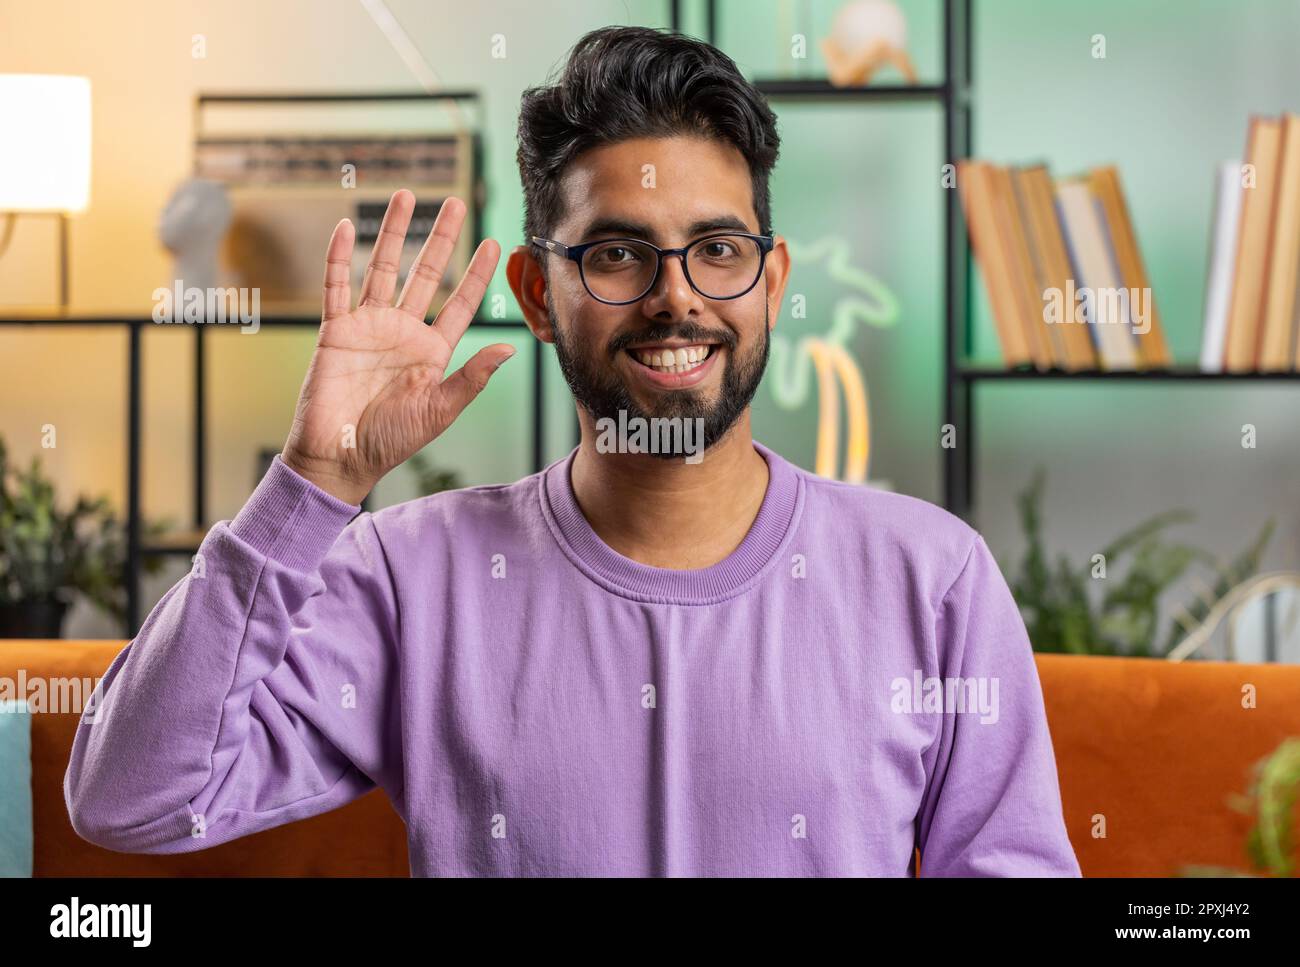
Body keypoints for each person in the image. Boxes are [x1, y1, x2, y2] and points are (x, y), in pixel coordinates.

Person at [65, 25, 1080, 877]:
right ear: (539, 292)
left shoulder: (931, 578)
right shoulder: (411, 579)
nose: (675, 296)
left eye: (716, 251)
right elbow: (132, 796)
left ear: (771, 284)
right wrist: (313, 484)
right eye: (618, 252)